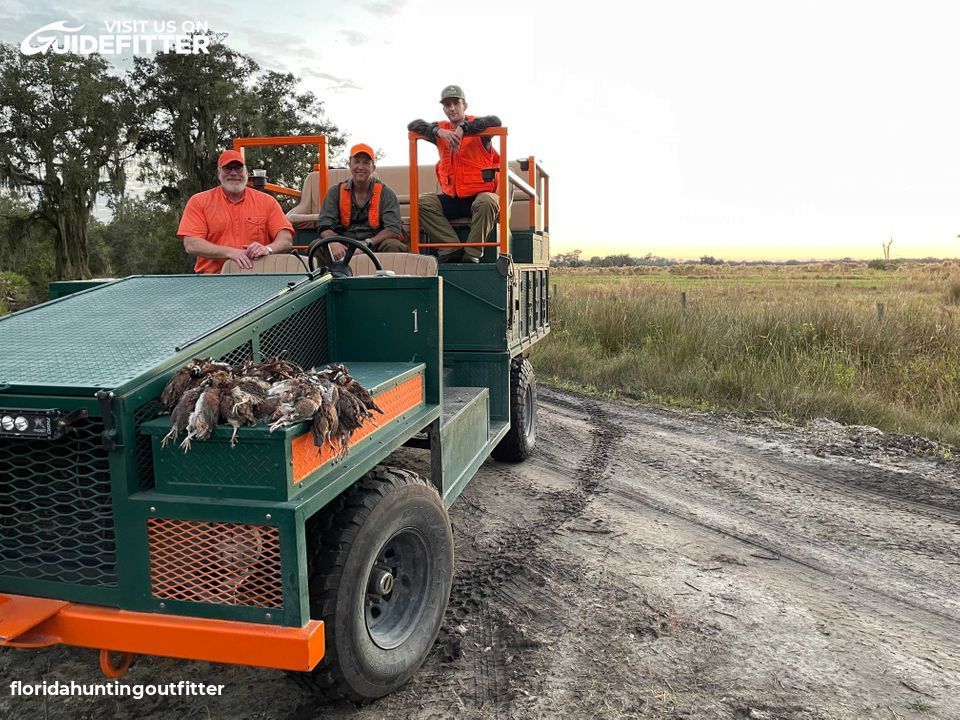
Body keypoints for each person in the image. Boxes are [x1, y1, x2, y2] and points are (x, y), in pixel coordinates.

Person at [408, 85, 502, 263]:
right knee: (421, 203)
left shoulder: (480, 130)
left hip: (478, 198)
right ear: (443, 108)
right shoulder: (440, 130)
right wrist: (438, 131)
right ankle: (451, 248)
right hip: (451, 198)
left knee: (488, 201)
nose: (451, 108)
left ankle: (473, 253)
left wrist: (464, 128)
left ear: (464, 105)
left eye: (455, 103)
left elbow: (495, 120)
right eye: (447, 104)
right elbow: (413, 126)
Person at [178, 150, 293, 274]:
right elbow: (191, 244)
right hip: (212, 279)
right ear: (219, 173)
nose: (234, 173)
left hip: (258, 277)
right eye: (228, 168)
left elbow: (286, 240)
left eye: (238, 168)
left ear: (246, 172)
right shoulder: (199, 202)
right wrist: (230, 252)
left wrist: (267, 249)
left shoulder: (267, 202)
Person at [314, 143, 405, 260]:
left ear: (373, 168)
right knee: (317, 246)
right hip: (342, 243)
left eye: (366, 163)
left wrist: (368, 243)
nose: (360, 167)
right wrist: (333, 243)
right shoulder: (335, 192)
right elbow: (324, 225)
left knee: (394, 246)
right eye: (356, 161)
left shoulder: (386, 193)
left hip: (374, 243)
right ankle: (326, 277)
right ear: (349, 165)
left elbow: (393, 228)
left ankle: (388, 278)